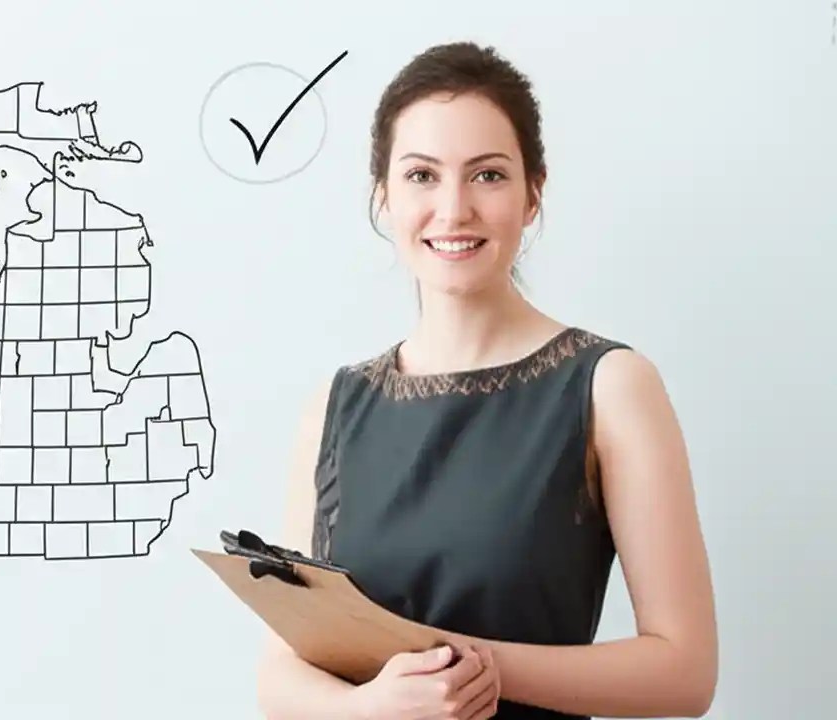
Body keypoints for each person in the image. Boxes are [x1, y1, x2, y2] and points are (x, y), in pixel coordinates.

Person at [255, 42, 719, 720]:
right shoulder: (334, 406)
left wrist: (471, 668)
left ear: (533, 193)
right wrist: (375, 708)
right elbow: (279, 676)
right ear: (382, 197)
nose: (453, 210)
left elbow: (684, 673)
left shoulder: (610, 386)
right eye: (421, 176)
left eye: (488, 175)